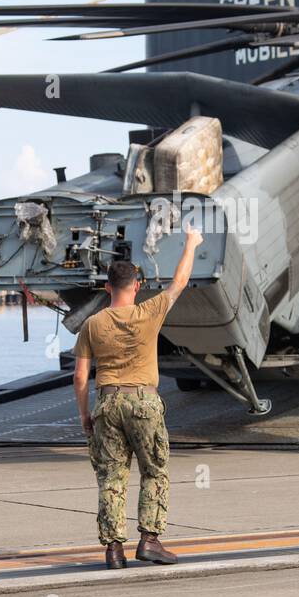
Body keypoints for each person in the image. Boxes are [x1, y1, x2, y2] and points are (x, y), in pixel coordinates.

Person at [73, 226, 203, 570]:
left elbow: (80, 376)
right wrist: (191, 243)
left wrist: (85, 414)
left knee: (112, 478)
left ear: (107, 288)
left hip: (107, 403)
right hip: (144, 402)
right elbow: (179, 281)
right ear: (137, 286)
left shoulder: (92, 324)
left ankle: (114, 550)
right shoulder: (150, 312)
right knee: (154, 471)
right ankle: (149, 541)